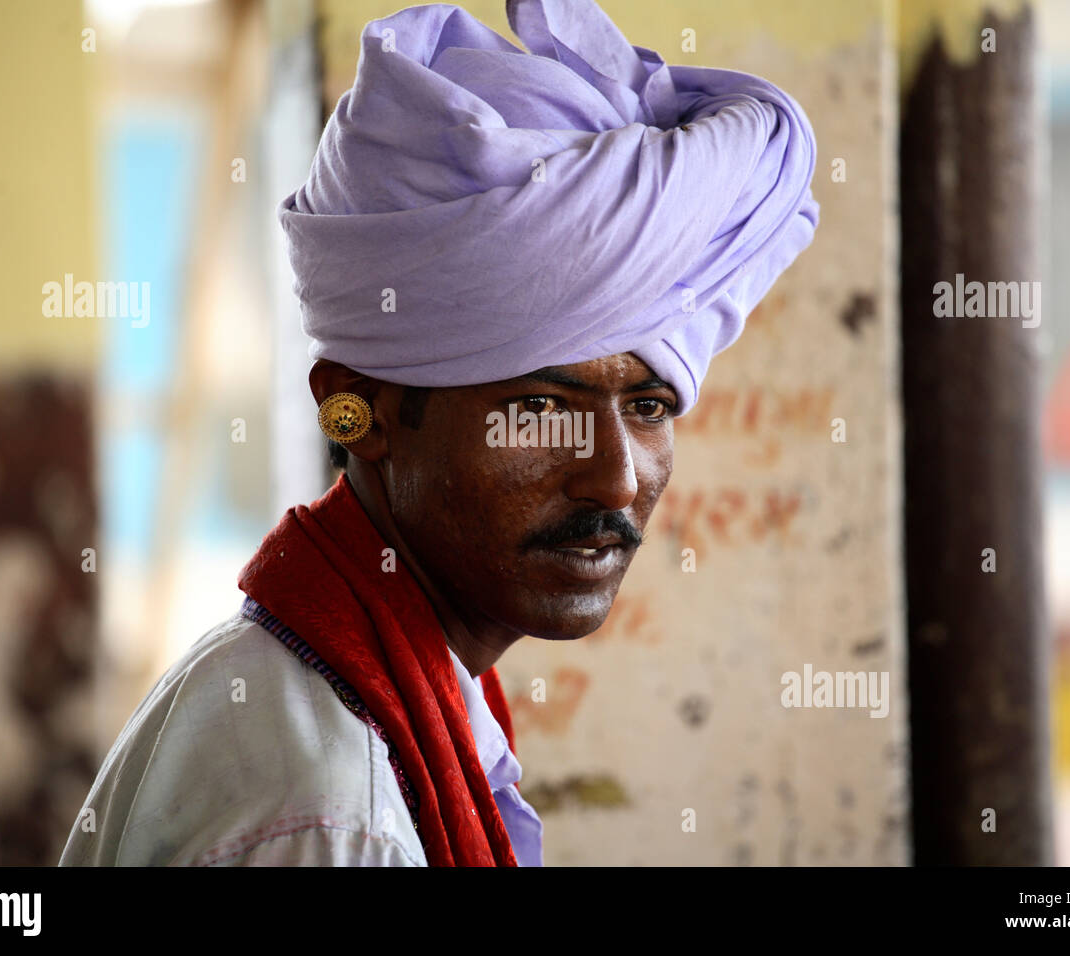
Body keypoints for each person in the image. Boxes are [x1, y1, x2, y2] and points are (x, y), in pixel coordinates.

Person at [60, 0, 818, 867]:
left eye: (648, 407)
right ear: (359, 411)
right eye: (540, 408)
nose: (614, 481)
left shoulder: (337, 681)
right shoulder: (334, 820)